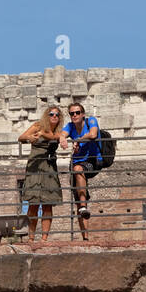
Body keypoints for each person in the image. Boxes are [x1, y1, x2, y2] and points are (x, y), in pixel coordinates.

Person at [18, 107, 68, 243]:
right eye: (51, 114)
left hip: (49, 166)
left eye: (57, 115)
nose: (54, 116)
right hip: (35, 165)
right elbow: (21, 137)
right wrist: (30, 137)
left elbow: (54, 137)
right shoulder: (38, 125)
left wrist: (49, 135)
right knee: (33, 203)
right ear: (47, 115)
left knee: (48, 203)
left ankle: (44, 239)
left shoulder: (59, 131)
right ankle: (31, 238)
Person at [61, 102, 102, 240]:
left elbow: (93, 134)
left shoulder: (91, 120)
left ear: (82, 114)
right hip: (76, 162)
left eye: (77, 112)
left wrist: (78, 139)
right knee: (78, 200)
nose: (74, 115)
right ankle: (85, 237)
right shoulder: (70, 126)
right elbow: (63, 133)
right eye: (72, 113)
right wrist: (62, 139)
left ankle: (84, 207)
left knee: (78, 169)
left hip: (92, 160)